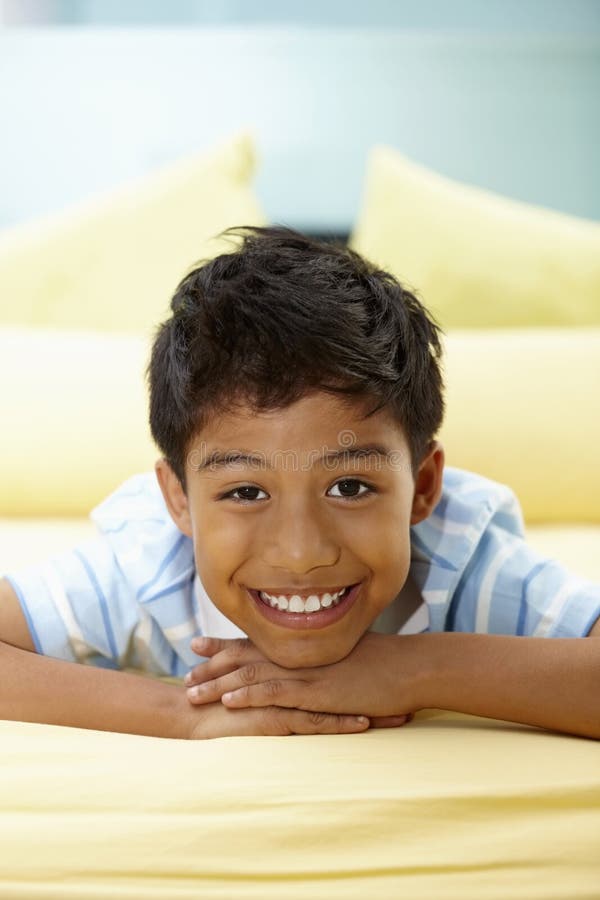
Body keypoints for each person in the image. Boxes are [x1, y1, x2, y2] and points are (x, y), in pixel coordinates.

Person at [1, 226, 599, 740]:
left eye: (350, 488)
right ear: (179, 501)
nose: (301, 554)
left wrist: (412, 670)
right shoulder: (148, 571)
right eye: (244, 492)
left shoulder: (465, 568)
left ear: (422, 488)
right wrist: (183, 715)